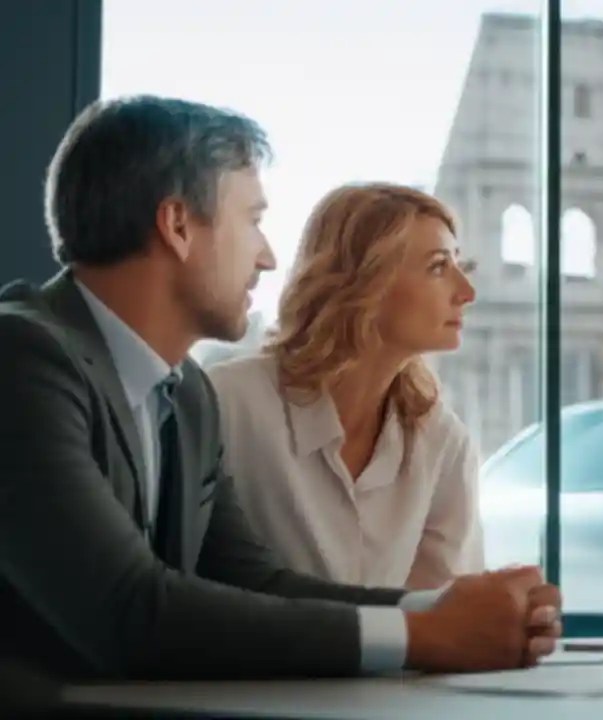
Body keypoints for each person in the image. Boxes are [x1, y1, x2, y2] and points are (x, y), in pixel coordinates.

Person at [0, 95, 560, 679]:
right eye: (253, 220)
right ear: (178, 226)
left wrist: (441, 610)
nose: (268, 257)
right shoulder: (21, 358)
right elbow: (129, 611)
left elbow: (255, 582)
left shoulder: (186, 395)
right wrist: (423, 634)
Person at [207, 183, 483, 590]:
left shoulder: (442, 441)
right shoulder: (226, 404)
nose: (467, 292)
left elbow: (445, 620)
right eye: (438, 267)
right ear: (365, 281)